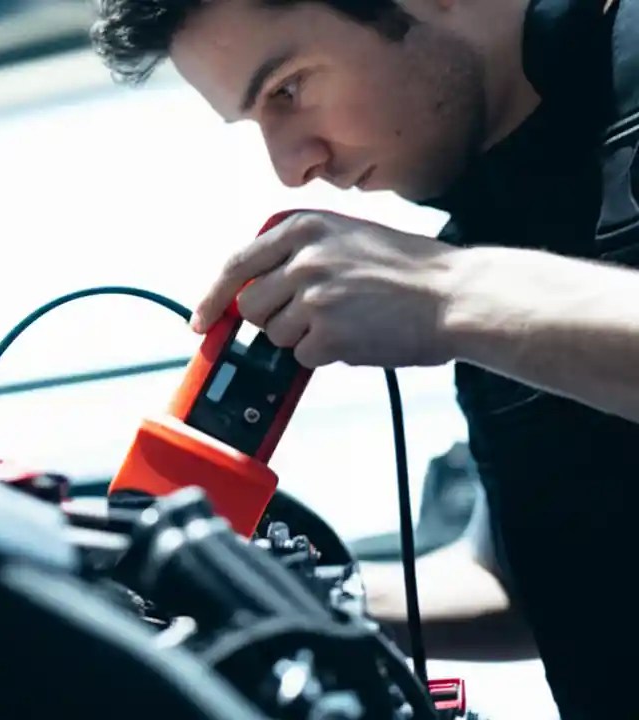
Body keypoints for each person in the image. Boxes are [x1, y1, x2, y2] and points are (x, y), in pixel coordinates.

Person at [87, 0, 639, 716]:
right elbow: (521, 583)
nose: (292, 167)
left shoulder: (461, 281)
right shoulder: (487, 229)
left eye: (287, 87)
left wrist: (448, 296)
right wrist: (250, 585)